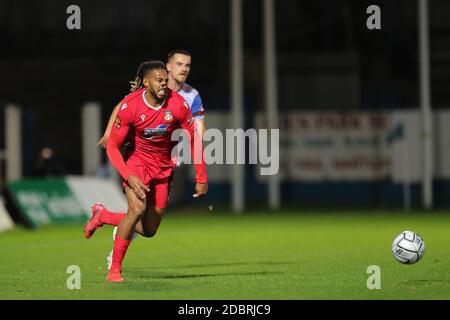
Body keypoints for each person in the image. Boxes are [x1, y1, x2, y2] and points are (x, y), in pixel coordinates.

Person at [84, 61, 208, 282]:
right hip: (137, 164)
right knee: (136, 209)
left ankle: (103, 215)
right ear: (145, 83)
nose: (164, 84)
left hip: (163, 168)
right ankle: (115, 270)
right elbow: (113, 147)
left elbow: (194, 140)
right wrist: (129, 176)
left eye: (165, 80)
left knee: (149, 229)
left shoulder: (177, 104)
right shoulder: (130, 106)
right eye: (159, 80)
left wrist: (201, 177)